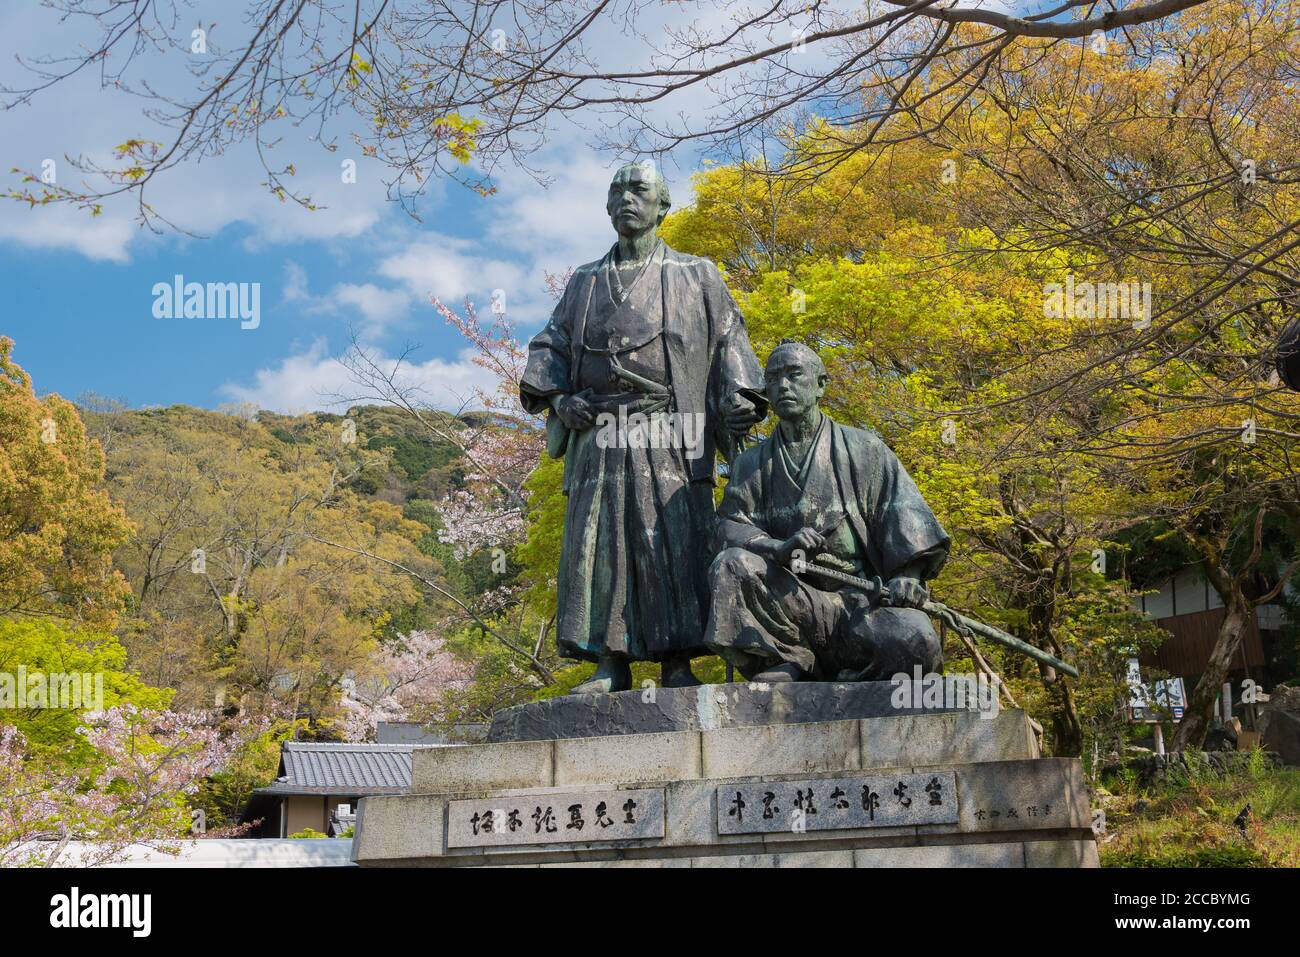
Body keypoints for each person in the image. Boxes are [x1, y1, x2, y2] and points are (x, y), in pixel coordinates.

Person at [520, 161, 766, 693]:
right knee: (603, 540)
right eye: (617, 190)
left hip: (672, 429)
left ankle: (678, 661)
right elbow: (551, 345)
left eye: (640, 190)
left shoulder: (695, 273)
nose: (627, 198)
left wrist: (740, 400)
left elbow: (728, 339)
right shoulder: (584, 281)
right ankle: (610, 661)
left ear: (663, 206)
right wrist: (560, 400)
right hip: (601, 431)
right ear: (607, 207)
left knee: (674, 536)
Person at [705, 340, 950, 682]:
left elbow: (907, 516)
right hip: (789, 603)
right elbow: (728, 527)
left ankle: (847, 674)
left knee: (918, 643)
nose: (783, 386)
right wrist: (776, 547)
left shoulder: (864, 449)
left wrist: (908, 576)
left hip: (859, 605)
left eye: (794, 375)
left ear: (821, 385)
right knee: (731, 564)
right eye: (773, 379)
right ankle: (788, 659)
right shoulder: (750, 465)